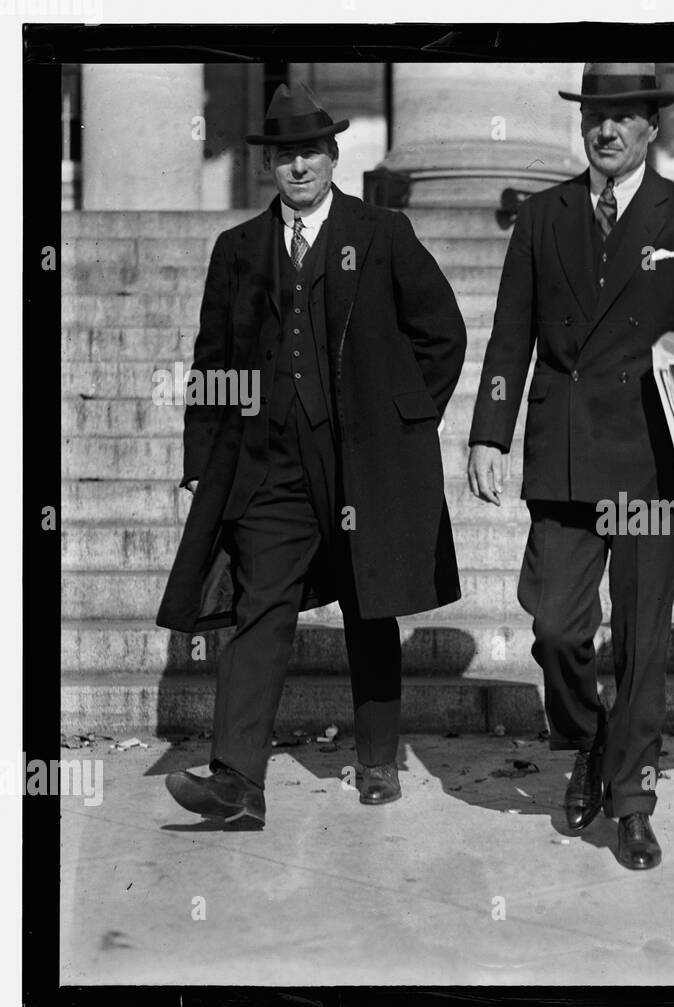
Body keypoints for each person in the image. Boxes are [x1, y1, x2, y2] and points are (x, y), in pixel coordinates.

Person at [466, 63, 674, 870]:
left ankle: (631, 799)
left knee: (639, 637)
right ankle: (591, 738)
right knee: (558, 627)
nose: (607, 128)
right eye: (596, 113)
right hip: (563, 455)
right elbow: (508, 335)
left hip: (653, 458)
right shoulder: (542, 217)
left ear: (651, 128)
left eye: (624, 116)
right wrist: (489, 431)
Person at [157, 82, 467, 825]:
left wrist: (402, 422)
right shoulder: (237, 249)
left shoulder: (381, 232)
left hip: (361, 461)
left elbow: (442, 334)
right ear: (271, 167)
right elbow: (215, 365)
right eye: (284, 156)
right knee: (260, 606)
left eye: (309, 153)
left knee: (369, 602)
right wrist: (199, 464)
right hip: (269, 464)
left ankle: (376, 759)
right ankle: (238, 781)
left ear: (332, 156)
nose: (297, 167)